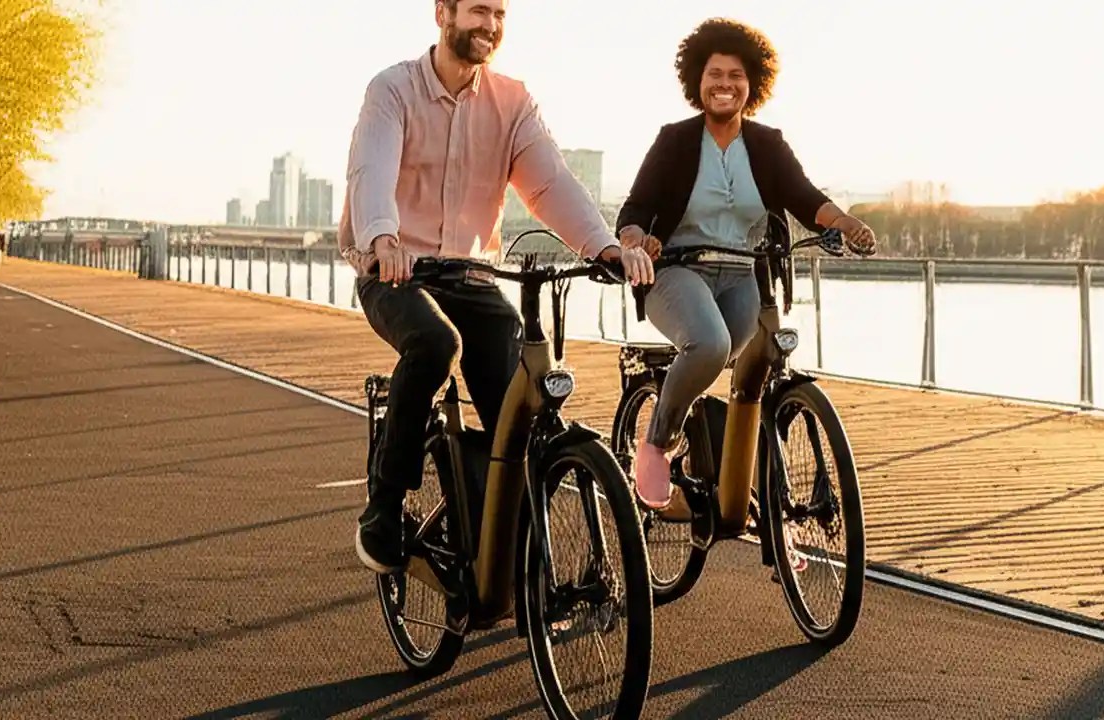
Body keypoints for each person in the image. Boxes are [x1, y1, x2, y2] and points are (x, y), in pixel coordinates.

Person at [339, 0, 654, 574]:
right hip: (395, 273)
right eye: (478, 10)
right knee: (435, 344)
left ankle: (522, 563)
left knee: (518, 412)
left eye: (500, 14)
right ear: (443, 13)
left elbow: (550, 182)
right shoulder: (392, 90)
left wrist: (604, 247)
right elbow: (372, 171)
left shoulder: (512, 101)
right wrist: (383, 240)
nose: (490, 25)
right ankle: (384, 504)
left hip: (474, 275)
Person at [616, 18, 877, 519]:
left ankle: (770, 523)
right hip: (676, 271)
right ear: (698, 80)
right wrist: (633, 242)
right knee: (709, 345)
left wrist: (844, 222)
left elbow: (805, 198)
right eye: (715, 73)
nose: (725, 84)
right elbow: (635, 208)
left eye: (736, 76)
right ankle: (657, 445)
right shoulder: (674, 141)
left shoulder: (767, 144)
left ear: (752, 85)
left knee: (740, 363)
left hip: (742, 275)